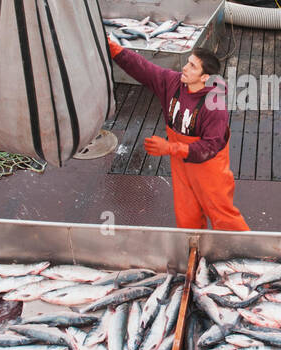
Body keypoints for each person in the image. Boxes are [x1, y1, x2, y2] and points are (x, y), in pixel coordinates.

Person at [106, 38, 248, 231]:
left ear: (205, 77)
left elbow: (211, 147)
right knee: (186, 218)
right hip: (181, 165)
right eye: (187, 62)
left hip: (209, 171)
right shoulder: (172, 83)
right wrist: (113, 48)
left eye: (192, 66)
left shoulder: (214, 107)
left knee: (224, 217)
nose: (185, 68)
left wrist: (169, 148)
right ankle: (195, 254)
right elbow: (142, 68)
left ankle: (249, 253)